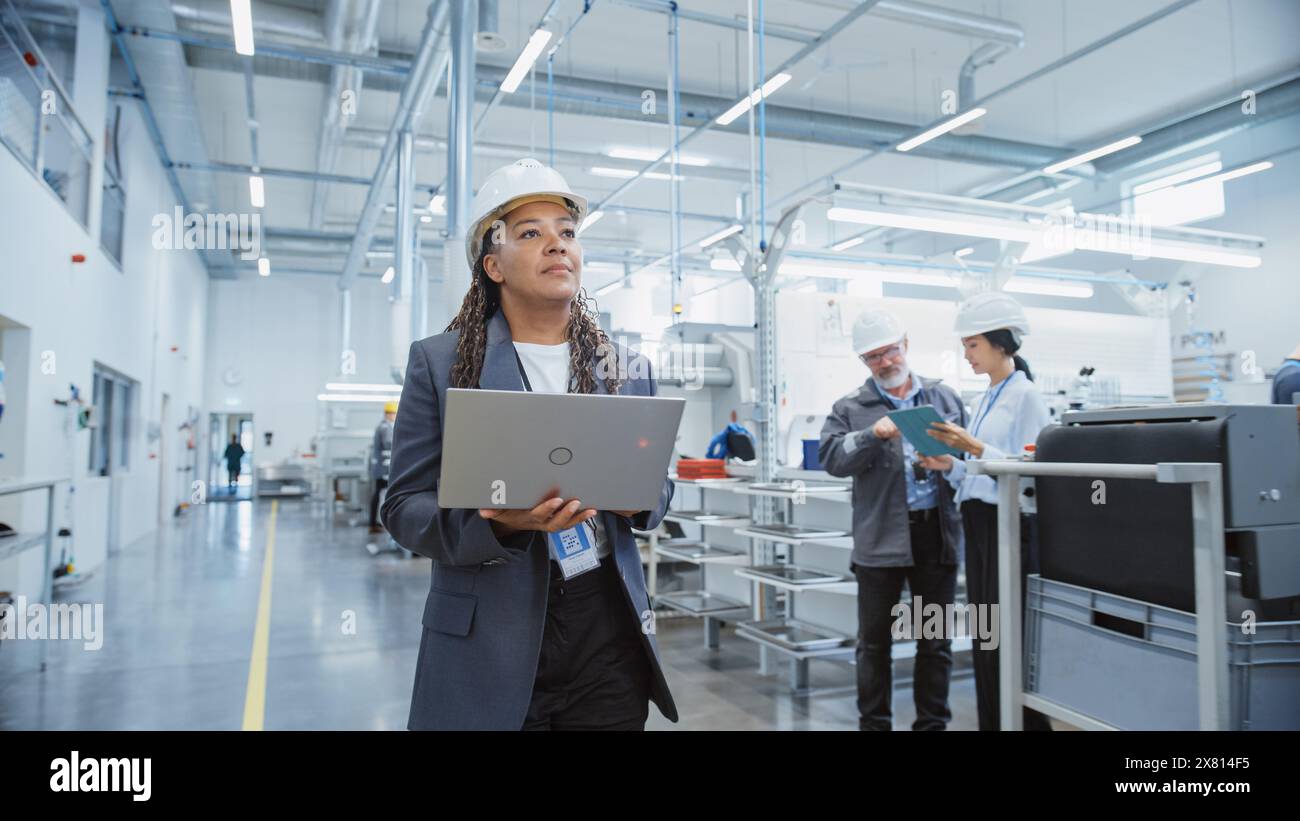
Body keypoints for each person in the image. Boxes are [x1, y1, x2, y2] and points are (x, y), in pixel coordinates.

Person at [382, 158, 678, 731]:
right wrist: (502, 524)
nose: (557, 245)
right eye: (531, 233)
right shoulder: (441, 364)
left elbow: (659, 493)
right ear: (493, 265)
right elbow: (402, 509)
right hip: (490, 635)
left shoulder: (624, 367)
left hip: (605, 631)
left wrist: (630, 497)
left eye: (567, 233)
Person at [820, 310, 966, 731]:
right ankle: (875, 725)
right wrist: (872, 435)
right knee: (874, 645)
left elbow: (972, 454)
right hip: (879, 539)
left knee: (934, 640)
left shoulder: (943, 399)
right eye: (872, 357)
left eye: (888, 351)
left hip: (934, 538)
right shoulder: (851, 407)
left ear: (905, 344)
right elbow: (831, 458)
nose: (883, 362)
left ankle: (932, 724)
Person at [919, 291, 1053, 731]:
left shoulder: (1026, 396)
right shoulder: (987, 397)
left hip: (1008, 528)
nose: (967, 354)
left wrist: (972, 446)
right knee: (986, 634)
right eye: (965, 346)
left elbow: (1034, 474)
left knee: (1008, 637)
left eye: (973, 344)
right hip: (977, 523)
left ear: (1002, 343)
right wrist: (952, 464)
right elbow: (982, 470)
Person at [368, 401, 397, 534]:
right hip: (382, 470)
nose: (395, 416)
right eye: (393, 414)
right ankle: (377, 523)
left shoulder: (382, 426)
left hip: (380, 468)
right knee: (381, 494)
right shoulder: (385, 427)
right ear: (388, 414)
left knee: (378, 494)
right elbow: (389, 443)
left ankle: (374, 523)